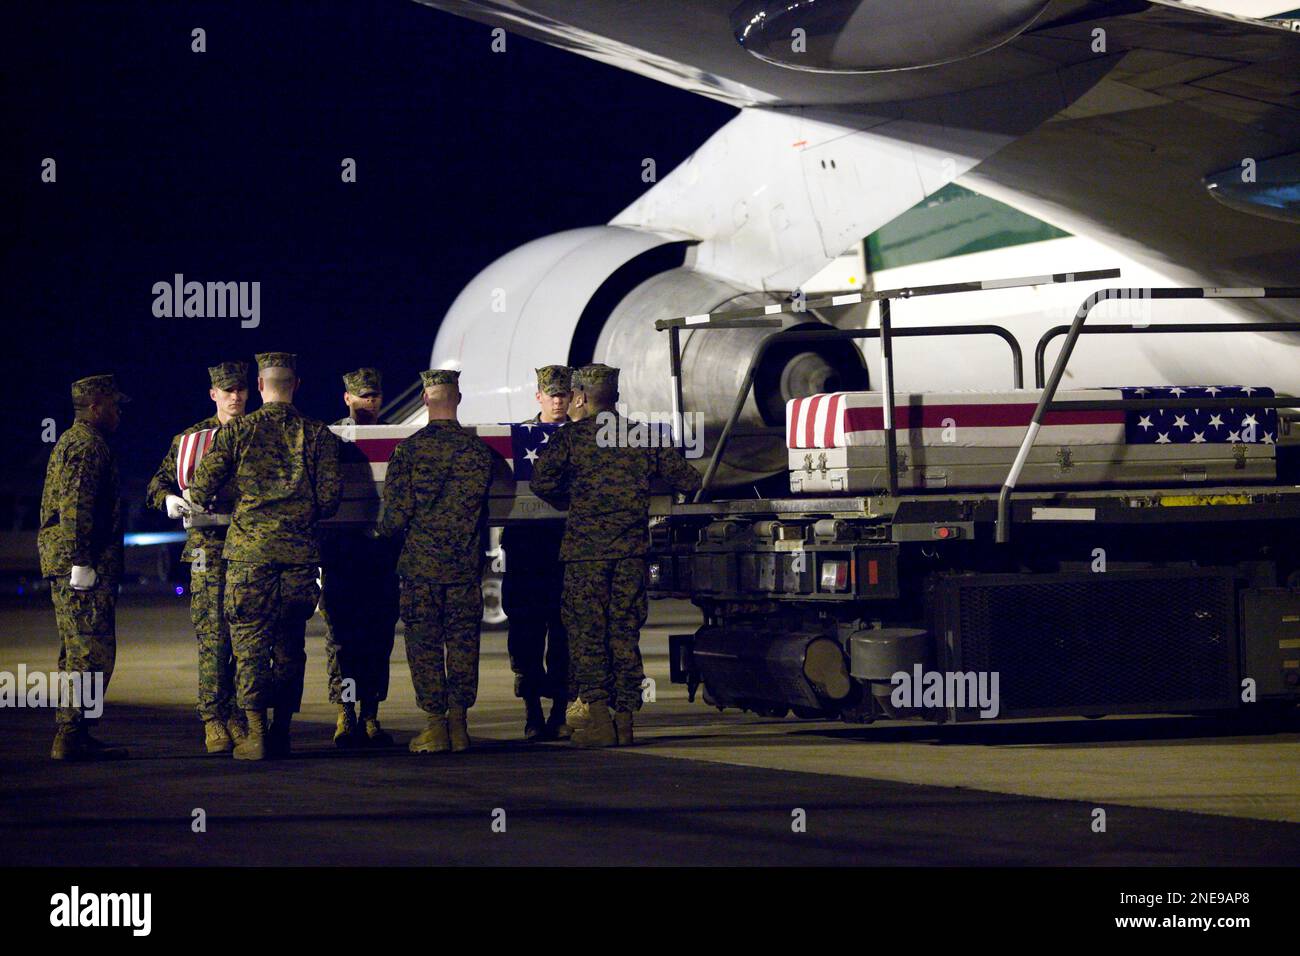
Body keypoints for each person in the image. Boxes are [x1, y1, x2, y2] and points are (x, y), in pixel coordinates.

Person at [531, 364, 701, 748]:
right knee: (625, 635)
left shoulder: (571, 438)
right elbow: (690, 479)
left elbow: (542, 482)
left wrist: (576, 501)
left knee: (587, 636)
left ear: (580, 397)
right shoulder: (643, 435)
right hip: (630, 553)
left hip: (585, 555)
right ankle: (625, 720)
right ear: (617, 397)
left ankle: (598, 719)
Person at [188, 352, 341, 760]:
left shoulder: (238, 432)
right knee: (289, 647)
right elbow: (329, 500)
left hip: (248, 560)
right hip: (298, 559)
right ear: (297, 385)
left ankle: (254, 734)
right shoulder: (319, 435)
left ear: (259, 386)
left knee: (249, 647)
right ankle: (281, 732)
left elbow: (200, 490)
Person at [379, 369, 492, 754]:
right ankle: (459, 726)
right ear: (457, 398)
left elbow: (395, 518)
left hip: (421, 570)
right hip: (464, 568)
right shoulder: (478, 453)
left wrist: (380, 534)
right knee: (463, 645)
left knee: (424, 647)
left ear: (425, 399)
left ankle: (435, 726)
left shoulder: (409, 451)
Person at [146, 361, 250, 754]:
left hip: (251, 546)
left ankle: (237, 713)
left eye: (240, 390)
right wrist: (167, 499)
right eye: (227, 391)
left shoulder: (258, 433)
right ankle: (213, 717)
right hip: (208, 548)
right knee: (213, 636)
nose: (235, 397)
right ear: (213, 394)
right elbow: (158, 483)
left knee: (246, 637)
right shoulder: (192, 439)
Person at [38, 374, 130, 761]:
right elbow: (76, 506)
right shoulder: (87, 445)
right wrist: (81, 561)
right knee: (91, 652)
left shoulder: (77, 441)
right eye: (113, 405)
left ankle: (76, 732)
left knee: (78, 650)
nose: (118, 411)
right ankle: (72, 734)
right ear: (95, 408)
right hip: (82, 564)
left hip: (75, 561)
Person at [320, 367, 399, 747]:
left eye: (374, 395)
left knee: (378, 639)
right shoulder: (330, 439)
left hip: (380, 557)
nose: (369, 401)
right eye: (362, 395)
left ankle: (370, 714)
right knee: (343, 641)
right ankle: (346, 712)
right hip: (342, 554)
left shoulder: (395, 439)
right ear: (347, 398)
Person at [502, 364, 572, 741]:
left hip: (566, 551)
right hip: (526, 552)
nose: (558, 401)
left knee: (564, 636)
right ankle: (532, 713)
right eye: (552, 394)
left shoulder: (581, 437)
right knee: (526, 637)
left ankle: (559, 712)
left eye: (563, 394)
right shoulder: (516, 439)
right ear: (539, 396)